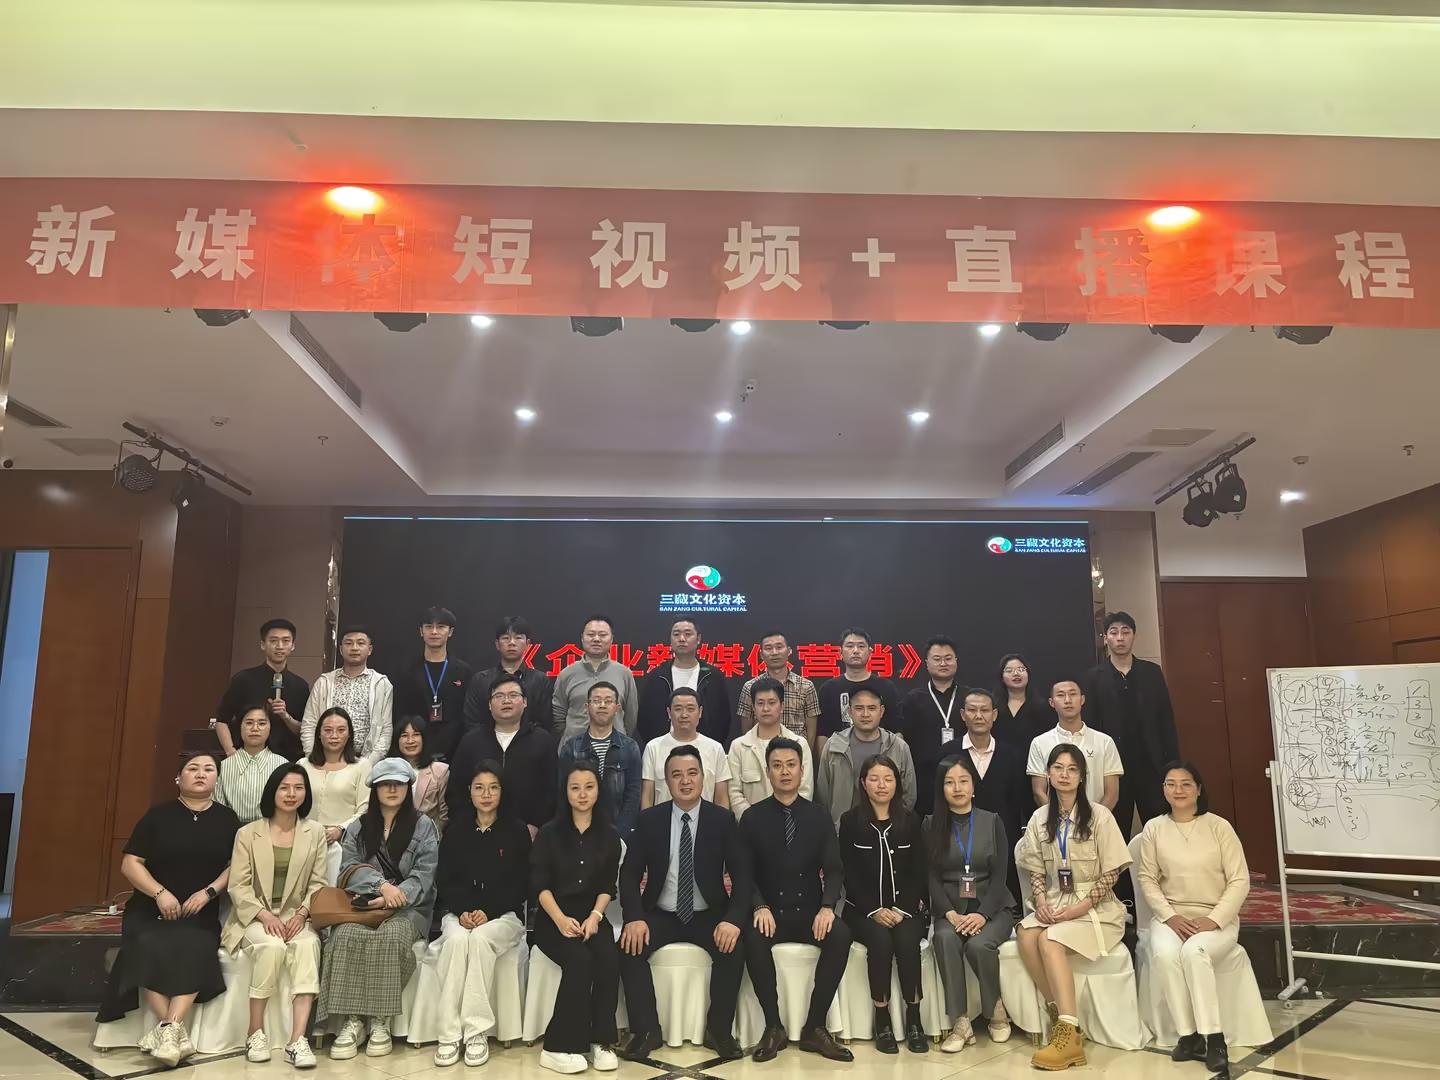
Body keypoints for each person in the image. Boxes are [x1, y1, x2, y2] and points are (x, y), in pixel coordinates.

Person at [97, 752, 239, 1069]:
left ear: (217, 779)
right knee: (145, 944)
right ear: (178, 777)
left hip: (199, 912)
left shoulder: (228, 820)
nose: (201, 774)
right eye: (193, 768)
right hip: (150, 909)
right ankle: (173, 1030)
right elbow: (130, 863)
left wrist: (208, 892)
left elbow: (236, 866)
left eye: (209, 769)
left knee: (197, 945)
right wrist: (159, 893)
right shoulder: (157, 816)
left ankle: (167, 1029)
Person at [618, 747, 748, 1063]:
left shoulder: (722, 819)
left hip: (708, 913)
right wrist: (634, 917)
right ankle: (646, 1030)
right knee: (629, 947)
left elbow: (743, 875)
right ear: (667, 781)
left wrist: (732, 919)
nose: (685, 781)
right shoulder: (650, 820)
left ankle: (719, 1030)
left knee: (734, 948)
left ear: (704, 778)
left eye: (692, 773)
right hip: (661, 913)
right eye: (676, 775)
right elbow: (629, 874)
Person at [1015, 744, 1131, 1071]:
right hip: (1056, 900)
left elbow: (1112, 873)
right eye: (1058, 768)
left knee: (1049, 940)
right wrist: (1040, 902)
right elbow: (1036, 869)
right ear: (1048, 775)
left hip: (1096, 907)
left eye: (1072, 769)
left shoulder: (1100, 815)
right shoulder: (1040, 818)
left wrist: (1081, 907)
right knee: (1026, 934)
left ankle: (1069, 1036)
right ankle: (1060, 1017)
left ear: (1082, 777)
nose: (1064, 775)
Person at [738, 737, 854, 1064]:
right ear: (768, 772)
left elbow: (834, 870)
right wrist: (759, 905)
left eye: (791, 765)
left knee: (841, 934)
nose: (785, 772)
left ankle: (814, 1026)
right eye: (777, 766)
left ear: (802, 770)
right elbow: (744, 873)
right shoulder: (752, 818)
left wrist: (827, 907)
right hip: (770, 912)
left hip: (810, 912)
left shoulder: (818, 815)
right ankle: (773, 1026)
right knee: (752, 937)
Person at [319, 758, 440, 1061]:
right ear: (374, 789)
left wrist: (396, 896)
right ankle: (353, 1020)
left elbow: (425, 873)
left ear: (408, 787)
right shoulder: (359, 826)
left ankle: (379, 1021)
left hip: (409, 908)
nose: (392, 789)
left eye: (398, 783)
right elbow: (348, 868)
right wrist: (381, 887)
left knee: (390, 938)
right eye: (385, 784)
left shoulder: (424, 825)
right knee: (344, 935)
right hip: (364, 904)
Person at [1137, 761, 1250, 1074]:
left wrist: (1215, 919)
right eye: (1171, 784)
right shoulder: (1154, 828)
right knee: (1164, 953)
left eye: (1186, 783)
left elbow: (1240, 880)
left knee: (1194, 952)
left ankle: (1214, 1038)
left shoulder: (1219, 827)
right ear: (1163, 790)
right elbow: (1147, 879)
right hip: (1171, 916)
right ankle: (1189, 1036)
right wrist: (1170, 917)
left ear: (1199, 789)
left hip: (1216, 918)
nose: (1178, 790)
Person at [223, 764, 328, 1068]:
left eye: (298, 788)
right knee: (271, 947)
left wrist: (303, 913)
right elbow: (238, 885)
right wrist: (265, 915)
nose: (291, 794)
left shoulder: (315, 832)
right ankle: (255, 1032)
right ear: (273, 791)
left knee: (308, 945)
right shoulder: (248, 833)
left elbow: (318, 883)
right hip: (255, 916)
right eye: (284, 787)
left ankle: (297, 1040)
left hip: (296, 914)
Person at [431, 761, 532, 1068]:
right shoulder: (456, 830)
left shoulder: (516, 830)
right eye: (479, 788)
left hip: (504, 916)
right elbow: (445, 879)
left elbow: (521, 883)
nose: (486, 795)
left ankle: (476, 1033)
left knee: (479, 940)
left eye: (493, 788)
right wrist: (462, 911)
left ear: (502, 791)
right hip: (459, 915)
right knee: (457, 942)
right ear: (470, 792)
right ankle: (449, 1034)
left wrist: (488, 912)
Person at [529, 761, 623, 1075]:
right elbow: (539, 885)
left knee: (608, 959)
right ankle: (557, 1046)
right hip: (553, 918)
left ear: (598, 791)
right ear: (566, 792)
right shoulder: (549, 833)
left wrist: (595, 917)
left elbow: (608, 885)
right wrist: (560, 919)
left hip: (592, 915)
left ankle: (601, 1041)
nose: (582, 794)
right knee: (580, 961)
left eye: (589, 787)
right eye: (575, 788)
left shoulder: (609, 835)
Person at [837, 755, 928, 1055]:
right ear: (863, 783)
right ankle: (882, 1018)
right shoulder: (850, 822)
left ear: (897, 784)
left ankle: (914, 1018)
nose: (881, 785)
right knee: (879, 941)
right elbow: (847, 872)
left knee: (906, 941)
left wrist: (901, 909)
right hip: (863, 911)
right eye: (874, 779)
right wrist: (874, 910)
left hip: (905, 909)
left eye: (888, 779)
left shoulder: (910, 821)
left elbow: (919, 871)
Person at [926, 757, 1016, 1054]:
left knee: (979, 946)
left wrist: (982, 914)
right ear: (941, 789)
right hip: (950, 909)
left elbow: (1001, 875)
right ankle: (960, 1022)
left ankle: (996, 1010)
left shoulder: (992, 821)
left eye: (963, 781)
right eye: (949, 782)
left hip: (992, 906)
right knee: (944, 938)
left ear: (973, 786)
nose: (957, 788)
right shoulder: (931, 825)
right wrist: (949, 913)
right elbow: (930, 877)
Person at [1083, 612, 1181, 836]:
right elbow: (1090, 727)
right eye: (1114, 632)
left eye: (1126, 632)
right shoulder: (1092, 678)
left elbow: (1165, 720)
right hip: (1112, 768)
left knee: (1160, 828)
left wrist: (1173, 765)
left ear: (1134, 636)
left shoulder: (1151, 672)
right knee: (1115, 833)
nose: (1120, 638)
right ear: (1105, 638)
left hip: (1151, 764)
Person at [936, 689, 1031, 904]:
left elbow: (1021, 802)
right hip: (957, 841)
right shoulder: (947, 752)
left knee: (1002, 904)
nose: (979, 716)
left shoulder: (1012, 755)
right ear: (963, 715)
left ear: (994, 715)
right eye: (972, 710)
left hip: (1003, 841)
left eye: (985, 710)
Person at [447, 672, 557, 835]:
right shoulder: (471, 741)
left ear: (525, 702)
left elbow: (551, 791)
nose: (506, 700)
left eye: (513, 695)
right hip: (478, 831)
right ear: (489, 704)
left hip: (529, 834)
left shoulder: (543, 741)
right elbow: (456, 789)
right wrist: (469, 825)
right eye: (499, 696)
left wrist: (536, 826)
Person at [816, 684, 916, 828]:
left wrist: (895, 824)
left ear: (881, 711)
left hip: (888, 830)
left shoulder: (898, 747)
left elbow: (909, 794)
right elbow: (823, 793)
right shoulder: (833, 746)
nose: (865, 714)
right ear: (849, 711)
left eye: (872, 708)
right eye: (859, 708)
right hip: (843, 830)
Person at [214, 618, 310, 761]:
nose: (280, 646)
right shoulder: (243, 679)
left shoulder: (300, 685)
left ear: (293, 646)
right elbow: (222, 720)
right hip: (247, 758)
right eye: (273, 641)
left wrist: (286, 717)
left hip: (287, 760)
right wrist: (230, 752)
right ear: (263, 645)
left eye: (285, 641)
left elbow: (304, 730)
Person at [558, 681, 642, 838]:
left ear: (617, 708)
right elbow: (562, 793)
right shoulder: (571, 748)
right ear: (587, 707)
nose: (602, 705)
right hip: (578, 832)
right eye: (596, 701)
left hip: (619, 831)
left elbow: (633, 794)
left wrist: (620, 834)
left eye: (608, 701)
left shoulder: (630, 748)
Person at [301, 625, 394, 767]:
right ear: (340, 649)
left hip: (365, 761)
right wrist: (314, 759)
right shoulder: (324, 682)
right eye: (349, 643)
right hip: (325, 761)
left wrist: (367, 765)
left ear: (369, 649)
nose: (354, 648)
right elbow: (309, 723)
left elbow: (385, 730)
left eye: (360, 643)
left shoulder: (381, 684)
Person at [636, 618, 734, 748]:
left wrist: (710, 747)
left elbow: (723, 719)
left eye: (688, 634)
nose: (681, 639)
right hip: (664, 749)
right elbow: (644, 719)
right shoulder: (657, 676)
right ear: (670, 639)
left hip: (704, 750)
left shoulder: (713, 677)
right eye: (676, 634)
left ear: (698, 639)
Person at [394, 607, 474, 764]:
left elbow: (466, 715)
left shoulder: (463, 671)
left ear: (450, 632)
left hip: (455, 750)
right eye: (429, 627)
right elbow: (399, 713)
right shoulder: (406, 670)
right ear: (421, 631)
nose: (434, 632)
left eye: (441, 627)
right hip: (414, 751)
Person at [1026, 679, 1123, 811]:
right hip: (1055, 820)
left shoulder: (1105, 742)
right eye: (1061, 695)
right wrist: (1060, 819)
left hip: (1097, 820)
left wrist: (1095, 820)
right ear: (1051, 702)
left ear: (1082, 699)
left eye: (1072, 694)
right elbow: (1039, 792)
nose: (1067, 700)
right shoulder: (1039, 743)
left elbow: (1112, 794)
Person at [300, 707, 371, 883]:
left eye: (340, 730)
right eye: (328, 730)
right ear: (319, 734)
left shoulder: (361, 766)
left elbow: (365, 808)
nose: (334, 736)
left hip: (345, 842)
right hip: (305, 840)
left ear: (349, 734)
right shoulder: (303, 765)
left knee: (334, 893)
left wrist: (340, 829)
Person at [727, 675, 813, 818]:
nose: (766, 708)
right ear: (753, 707)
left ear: (782, 706)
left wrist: (784, 821)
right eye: (760, 703)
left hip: (791, 823)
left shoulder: (799, 743)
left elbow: (805, 790)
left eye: (772, 703)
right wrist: (753, 820)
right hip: (751, 825)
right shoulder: (738, 746)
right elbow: (734, 793)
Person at [551, 615, 639, 744]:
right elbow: (558, 714)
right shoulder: (567, 673)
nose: (596, 639)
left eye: (603, 635)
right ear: (582, 638)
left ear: (611, 639)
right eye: (591, 634)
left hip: (615, 748)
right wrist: (571, 736)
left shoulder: (624, 673)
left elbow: (631, 716)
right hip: (574, 749)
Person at [640, 687, 731, 809]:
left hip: (706, 819)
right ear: (669, 712)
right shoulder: (653, 747)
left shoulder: (715, 748)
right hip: (662, 819)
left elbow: (722, 797)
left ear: (700, 712)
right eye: (678, 709)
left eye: (690, 709)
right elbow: (647, 796)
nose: (684, 715)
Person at [900, 636, 962, 813]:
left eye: (948, 658)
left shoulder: (969, 698)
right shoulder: (913, 699)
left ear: (956, 661)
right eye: (937, 659)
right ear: (927, 663)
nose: (943, 663)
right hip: (924, 779)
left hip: (962, 776)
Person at [817, 627, 901, 752]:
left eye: (861, 646)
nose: (855, 651)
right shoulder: (828, 689)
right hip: (840, 756)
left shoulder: (886, 687)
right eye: (850, 646)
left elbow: (897, 730)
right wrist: (825, 761)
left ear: (870, 652)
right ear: (840, 652)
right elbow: (822, 733)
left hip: (881, 757)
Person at [464, 616, 552, 734]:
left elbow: (545, 722)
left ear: (527, 644)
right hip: (487, 742)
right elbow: (472, 722)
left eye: (518, 638)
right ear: (497, 644)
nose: (511, 643)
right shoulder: (480, 680)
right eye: (506, 638)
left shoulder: (540, 680)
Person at [735, 630, 820, 746]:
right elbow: (746, 729)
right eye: (768, 648)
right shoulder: (749, 687)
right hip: (760, 751)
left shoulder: (806, 686)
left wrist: (804, 752)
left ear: (789, 651)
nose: (774, 652)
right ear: (761, 654)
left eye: (779, 647)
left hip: (796, 752)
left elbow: (811, 731)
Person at [216, 707, 290, 825]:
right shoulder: (223, 767)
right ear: (240, 727)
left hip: (273, 830)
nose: (255, 728)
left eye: (262, 723)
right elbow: (218, 811)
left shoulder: (283, 765)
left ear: (270, 727)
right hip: (232, 831)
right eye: (249, 723)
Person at [393, 714, 450, 833]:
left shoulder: (440, 771)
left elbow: (443, 815)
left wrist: (431, 839)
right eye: (404, 735)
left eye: (416, 735)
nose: (410, 741)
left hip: (429, 836)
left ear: (424, 738)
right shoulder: (389, 770)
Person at [994, 653, 1055, 754]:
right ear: (1002, 678)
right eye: (1009, 670)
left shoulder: (1042, 708)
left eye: (1021, 669)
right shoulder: (993, 707)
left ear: (1028, 675)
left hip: (1033, 759)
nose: (1016, 673)